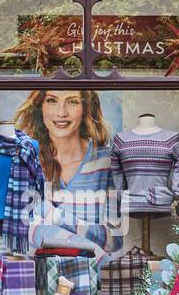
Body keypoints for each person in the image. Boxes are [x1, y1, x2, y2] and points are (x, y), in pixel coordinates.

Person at [12, 89, 122, 260]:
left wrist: (52, 214)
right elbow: (21, 236)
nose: (61, 112)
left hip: (91, 280)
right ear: (40, 107)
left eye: (72, 102)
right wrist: (86, 242)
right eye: (51, 101)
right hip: (40, 279)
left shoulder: (105, 162)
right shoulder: (27, 160)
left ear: (86, 108)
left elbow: (113, 241)